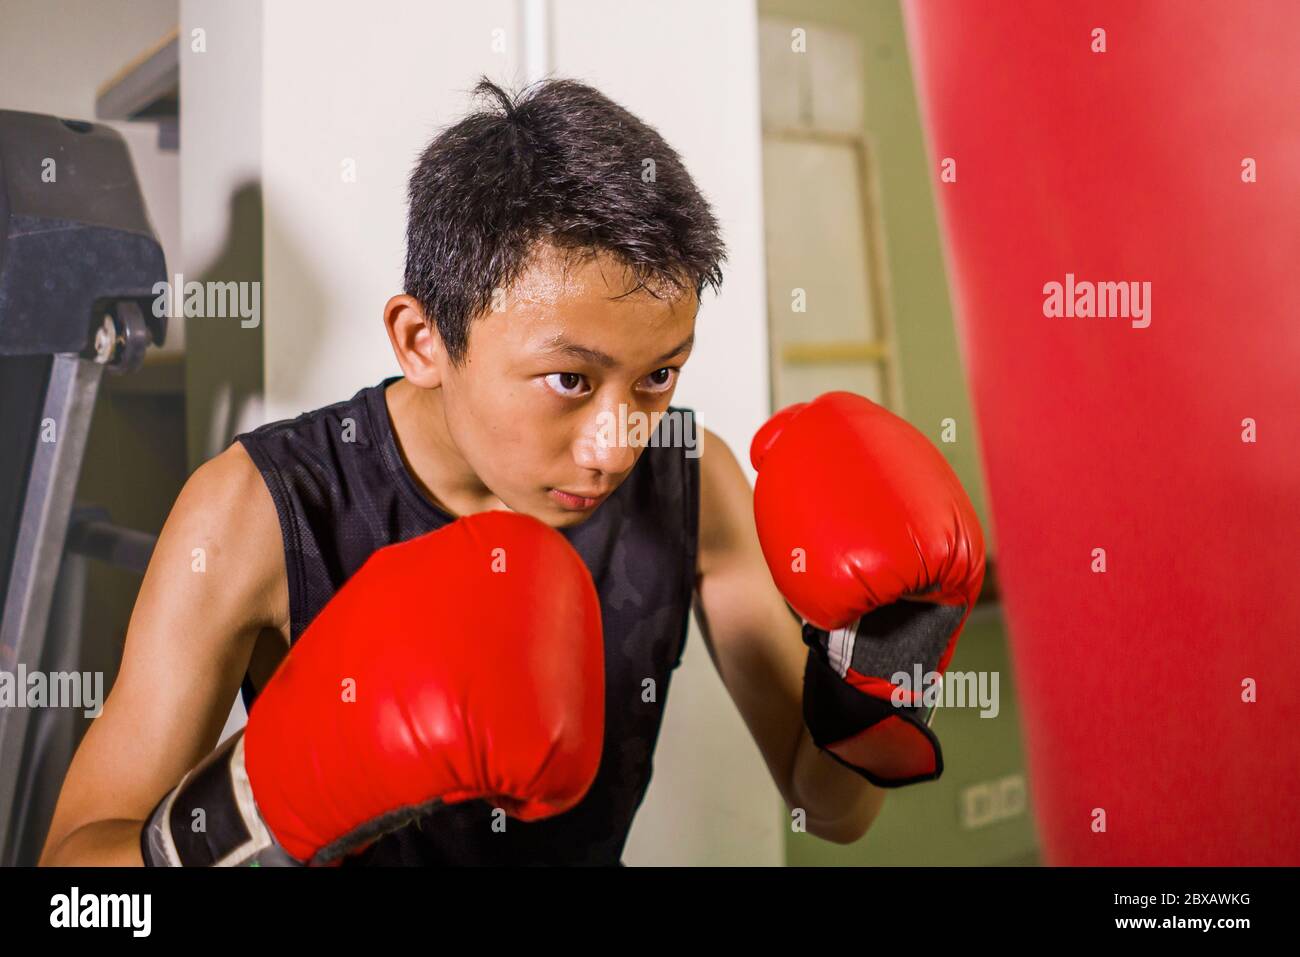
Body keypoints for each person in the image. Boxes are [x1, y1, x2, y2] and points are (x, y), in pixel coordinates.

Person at [38, 77, 981, 866]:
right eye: (569, 379)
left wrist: (888, 657)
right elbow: (74, 882)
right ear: (422, 338)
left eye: (659, 376)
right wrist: (253, 801)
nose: (618, 439)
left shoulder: (696, 482)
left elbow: (831, 809)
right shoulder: (256, 509)